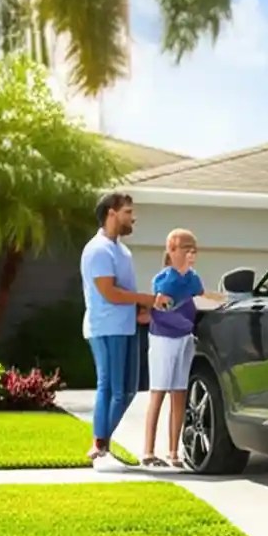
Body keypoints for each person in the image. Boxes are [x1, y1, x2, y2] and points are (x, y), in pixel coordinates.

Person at [81, 192, 169, 465]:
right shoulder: (98, 250)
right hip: (105, 328)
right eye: (128, 212)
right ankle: (99, 447)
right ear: (111, 213)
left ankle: (101, 446)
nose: (133, 217)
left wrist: (142, 311)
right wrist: (147, 300)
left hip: (126, 325)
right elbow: (110, 293)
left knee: (128, 390)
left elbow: (125, 292)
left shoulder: (122, 250)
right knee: (111, 388)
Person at [142, 228, 225, 467]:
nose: (191, 254)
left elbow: (202, 294)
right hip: (163, 340)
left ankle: (173, 451)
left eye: (194, 249)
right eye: (186, 249)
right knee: (158, 393)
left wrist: (223, 299)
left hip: (184, 339)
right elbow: (159, 301)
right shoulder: (165, 278)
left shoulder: (193, 278)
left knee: (179, 393)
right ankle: (148, 450)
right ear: (172, 251)